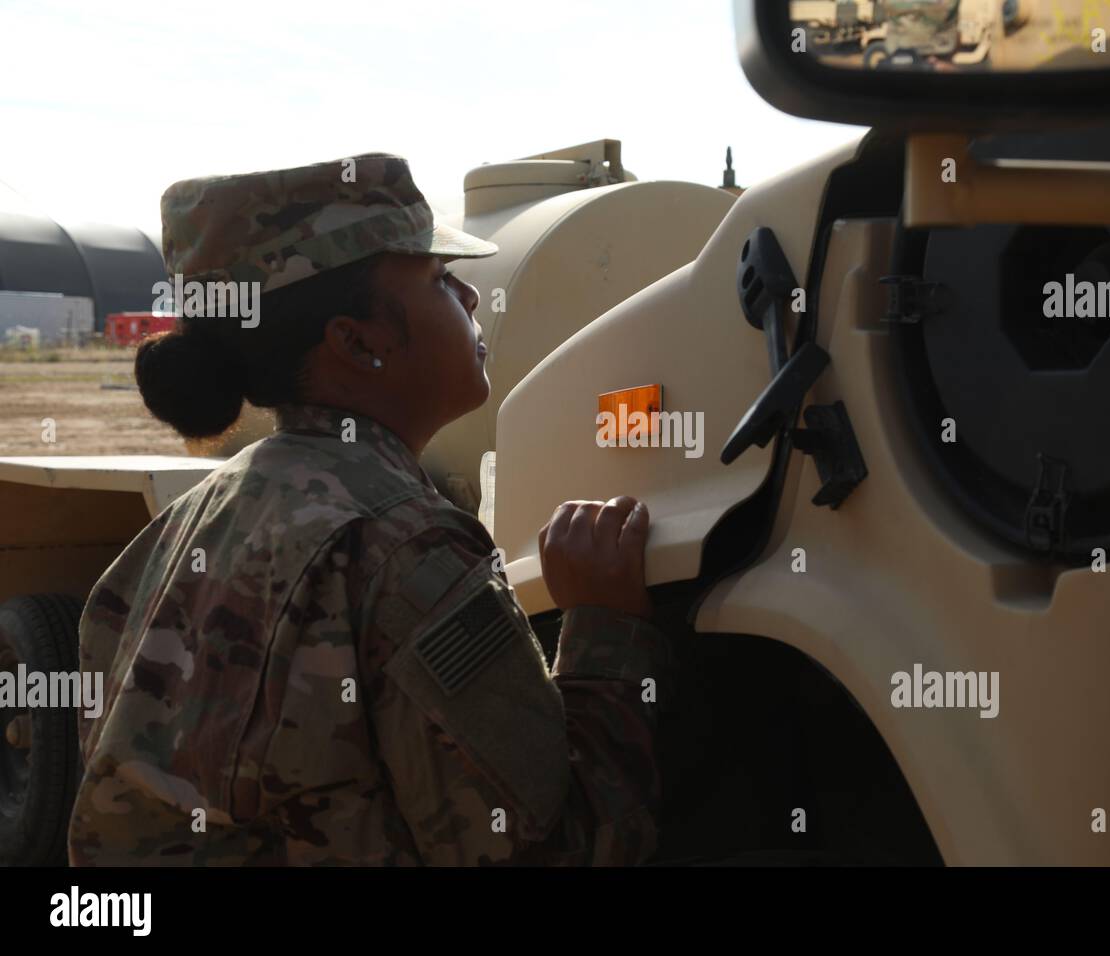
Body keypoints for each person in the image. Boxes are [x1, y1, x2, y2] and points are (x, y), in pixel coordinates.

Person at [67, 153, 670, 866]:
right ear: (356, 341)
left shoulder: (185, 523)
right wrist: (605, 626)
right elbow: (567, 850)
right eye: (441, 280)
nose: (473, 298)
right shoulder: (406, 545)